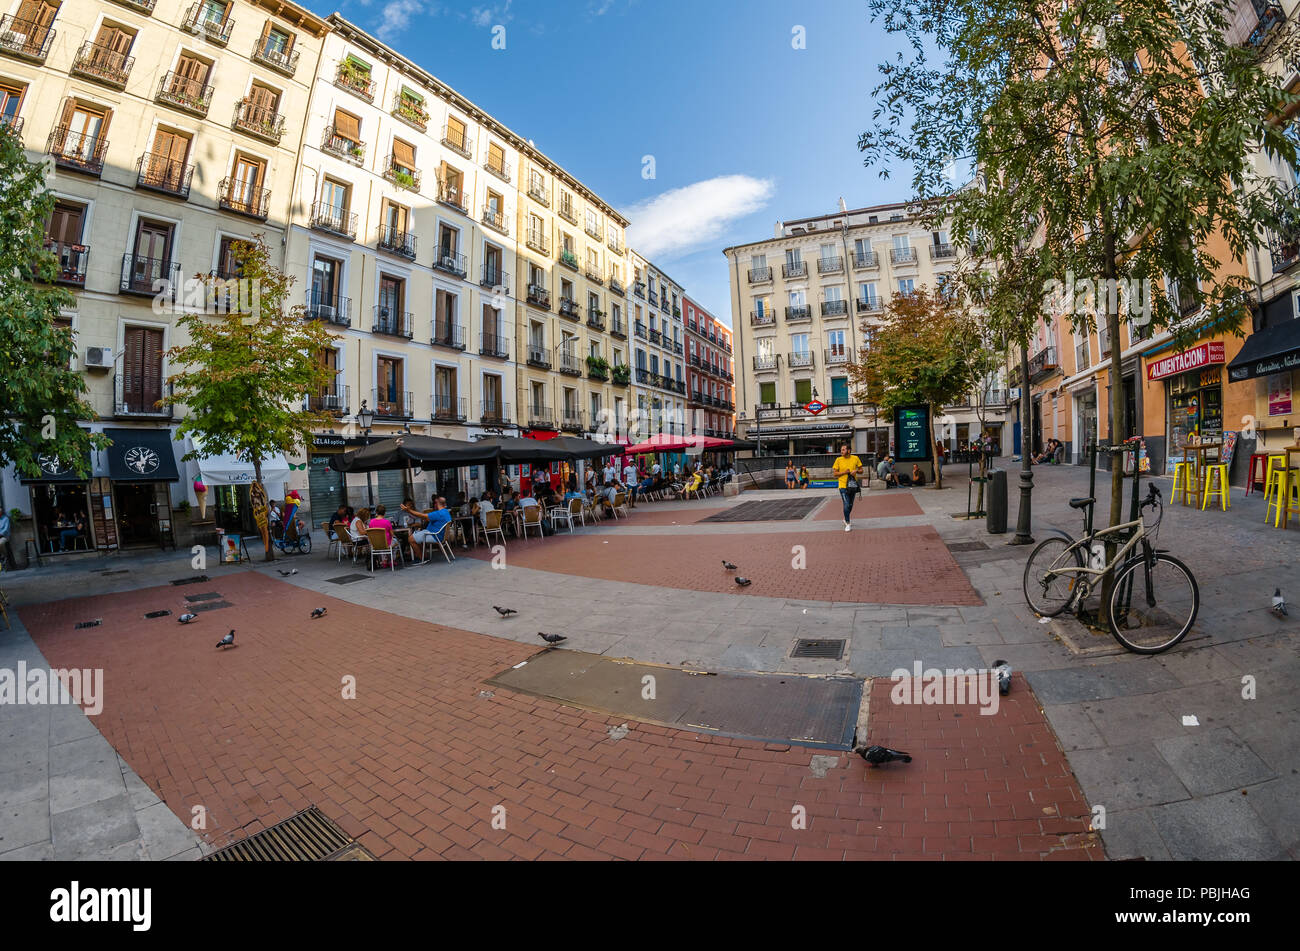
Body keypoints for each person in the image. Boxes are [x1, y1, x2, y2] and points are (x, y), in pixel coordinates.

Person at [832, 444, 864, 531]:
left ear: (849, 450)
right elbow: (835, 474)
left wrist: (856, 471)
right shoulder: (838, 460)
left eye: (843, 450)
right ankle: (848, 523)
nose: (841, 451)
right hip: (842, 486)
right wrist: (844, 472)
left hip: (852, 486)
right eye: (841, 450)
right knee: (846, 504)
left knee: (850, 505)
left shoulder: (855, 458)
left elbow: (861, 470)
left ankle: (845, 517)